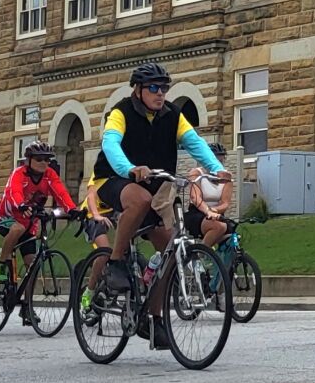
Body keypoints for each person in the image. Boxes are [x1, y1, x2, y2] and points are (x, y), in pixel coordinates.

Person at [87, 61, 228, 348]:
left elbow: (194, 142)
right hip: (114, 179)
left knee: (170, 251)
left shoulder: (172, 115)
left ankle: (152, 318)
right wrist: (129, 168)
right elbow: (111, 144)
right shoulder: (121, 112)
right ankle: (115, 263)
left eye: (164, 88)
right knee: (139, 199)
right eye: (153, 88)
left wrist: (216, 169)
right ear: (138, 90)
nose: (160, 93)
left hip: (155, 185)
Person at [0, 140, 79, 311]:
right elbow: (14, 191)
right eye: (39, 159)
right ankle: (1, 265)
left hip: (29, 223)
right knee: (17, 229)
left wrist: (72, 209)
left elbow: (61, 192)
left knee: (32, 266)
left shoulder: (49, 175)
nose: (44, 163)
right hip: (5, 216)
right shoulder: (19, 174)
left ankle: (27, 307)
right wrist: (21, 204)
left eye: (47, 159)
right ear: (29, 160)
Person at [185, 143, 233, 250]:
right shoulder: (196, 173)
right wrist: (207, 211)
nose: (218, 164)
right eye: (215, 161)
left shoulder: (226, 177)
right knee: (219, 227)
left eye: (221, 161)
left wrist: (214, 210)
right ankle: (200, 255)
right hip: (197, 213)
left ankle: (225, 263)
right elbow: (195, 198)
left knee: (232, 234)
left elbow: (225, 202)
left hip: (216, 213)